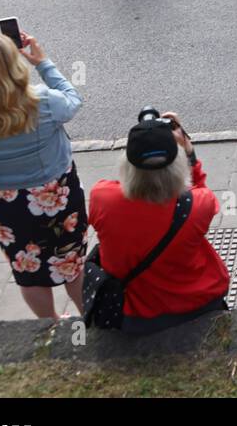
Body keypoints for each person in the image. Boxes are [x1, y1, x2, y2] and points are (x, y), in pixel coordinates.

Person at [0, 31, 86, 318]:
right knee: (72, 265)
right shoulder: (44, 101)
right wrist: (43, 63)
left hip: (7, 204)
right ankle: (89, 318)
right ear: (14, 64)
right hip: (58, 195)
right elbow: (74, 99)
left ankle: (48, 325)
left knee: (28, 269)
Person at [88, 111, 229, 333]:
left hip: (133, 314)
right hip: (199, 304)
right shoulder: (199, 204)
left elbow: (120, 188)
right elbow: (198, 190)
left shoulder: (100, 197)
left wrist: (144, 147)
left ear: (128, 164)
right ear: (178, 163)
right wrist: (189, 152)